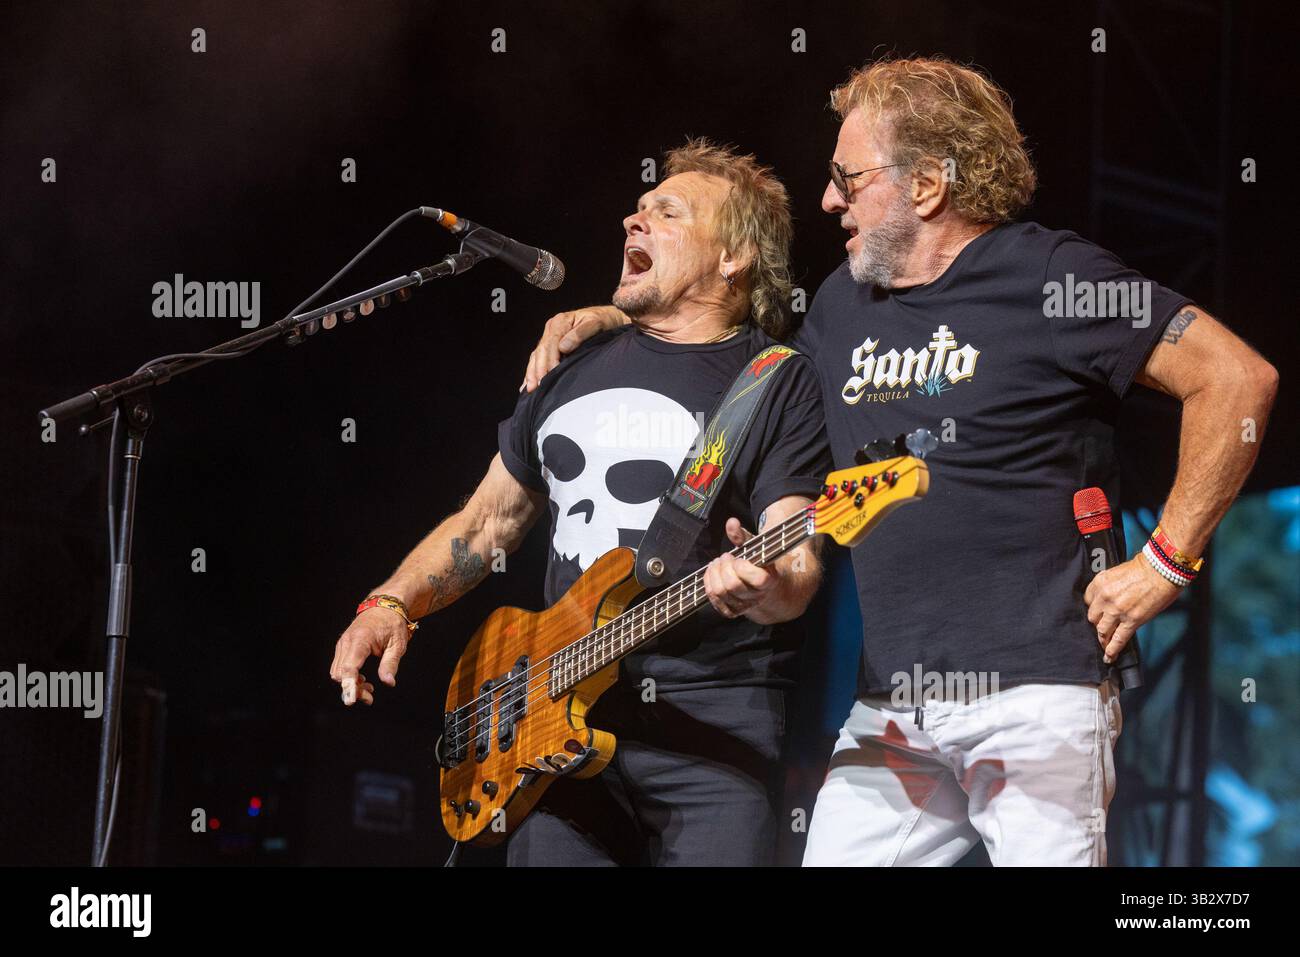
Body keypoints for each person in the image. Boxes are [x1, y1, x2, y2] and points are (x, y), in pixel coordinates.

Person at [518, 57, 1279, 866]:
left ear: (925, 187)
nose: (829, 201)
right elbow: (740, 361)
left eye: (848, 178)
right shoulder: (844, 305)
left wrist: (1168, 560)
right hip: (890, 708)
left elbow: (1236, 379)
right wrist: (617, 315)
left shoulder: (1053, 276)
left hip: (1037, 694)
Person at [329, 139, 834, 866]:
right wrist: (390, 601)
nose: (634, 220)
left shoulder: (777, 382)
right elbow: (485, 522)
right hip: (550, 732)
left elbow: (796, 558)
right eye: (637, 208)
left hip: (712, 747)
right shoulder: (568, 368)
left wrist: (770, 587)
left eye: (667, 212)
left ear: (734, 257)